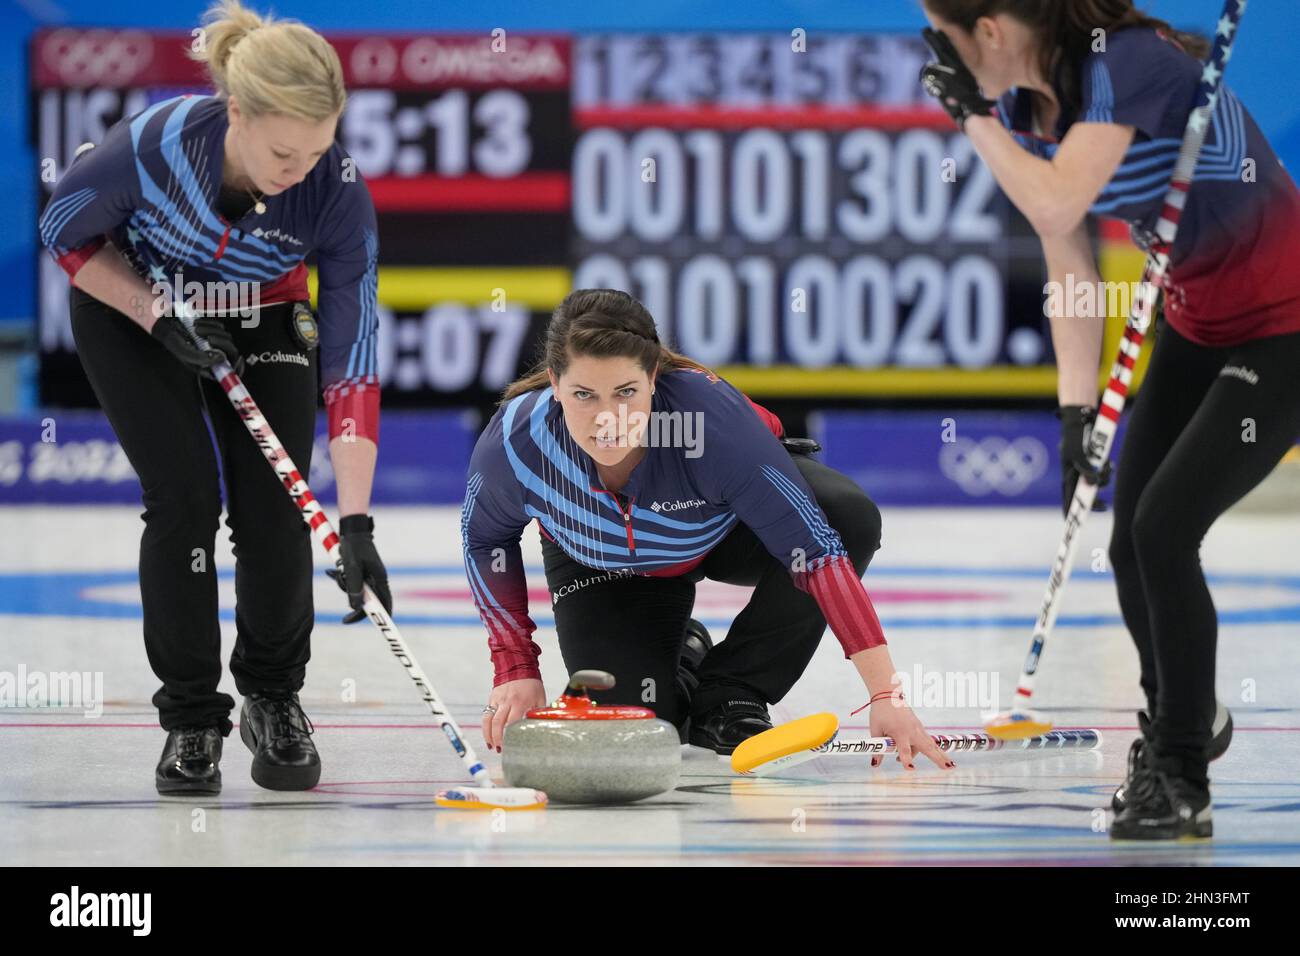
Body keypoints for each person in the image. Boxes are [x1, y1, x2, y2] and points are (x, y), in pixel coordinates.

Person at [919, 0, 1300, 838]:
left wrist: (972, 119)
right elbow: (1070, 254)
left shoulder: (1124, 67)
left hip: (1284, 327)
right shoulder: (1037, 100)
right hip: (1198, 322)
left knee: (1165, 528)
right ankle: (1181, 721)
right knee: (1130, 536)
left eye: (939, 38)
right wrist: (1074, 410)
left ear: (985, 33)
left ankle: (1181, 775)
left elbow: (1053, 203)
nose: (934, 57)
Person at [37, 0, 393, 795]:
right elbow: (64, 232)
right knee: (184, 499)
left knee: (273, 504)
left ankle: (274, 697)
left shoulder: (335, 194)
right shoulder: (156, 147)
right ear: (236, 111)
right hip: (134, 305)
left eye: (317, 149)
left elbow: (352, 360)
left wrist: (358, 522)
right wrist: (157, 316)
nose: (296, 170)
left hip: (264, 309)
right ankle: (192, 718)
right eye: (280, 152)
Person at [461, 289, 956, 771]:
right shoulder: (517, 440)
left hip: (726, 533)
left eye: (626, 393)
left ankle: (734, 690)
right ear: (554, 382)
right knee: (638, 726)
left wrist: (885, 694)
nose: (607, 419)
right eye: (584, 395)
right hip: (602, 560)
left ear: (654, 377)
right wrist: (515, 668)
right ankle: (682, 656)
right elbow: (486, 540)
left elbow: (816, 551)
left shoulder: (708, 423)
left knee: (844, 517)